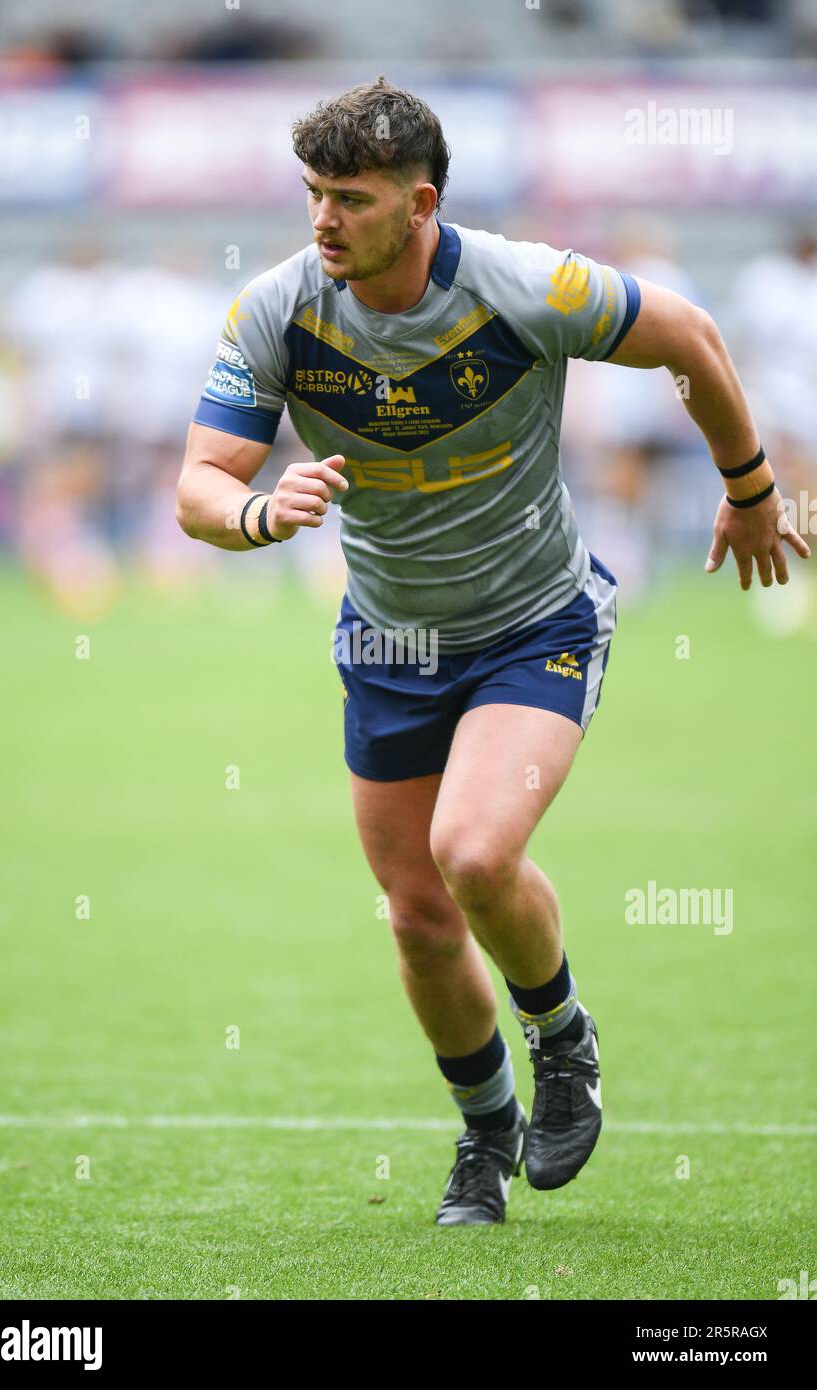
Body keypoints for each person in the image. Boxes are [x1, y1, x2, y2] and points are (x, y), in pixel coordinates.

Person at [175, 78, 809, 1226]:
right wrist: (262, 512)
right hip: (386, 636)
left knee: (471, 850)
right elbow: (197, 489)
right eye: (313, 194)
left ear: (419, 205)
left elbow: (690, 340)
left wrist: (750, 489)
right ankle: (484, 1137)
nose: (322, 219)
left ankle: (562, 1041)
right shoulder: (274, 311)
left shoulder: (523, 285)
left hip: (533, 623)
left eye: (351, 199)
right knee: (415, 914)